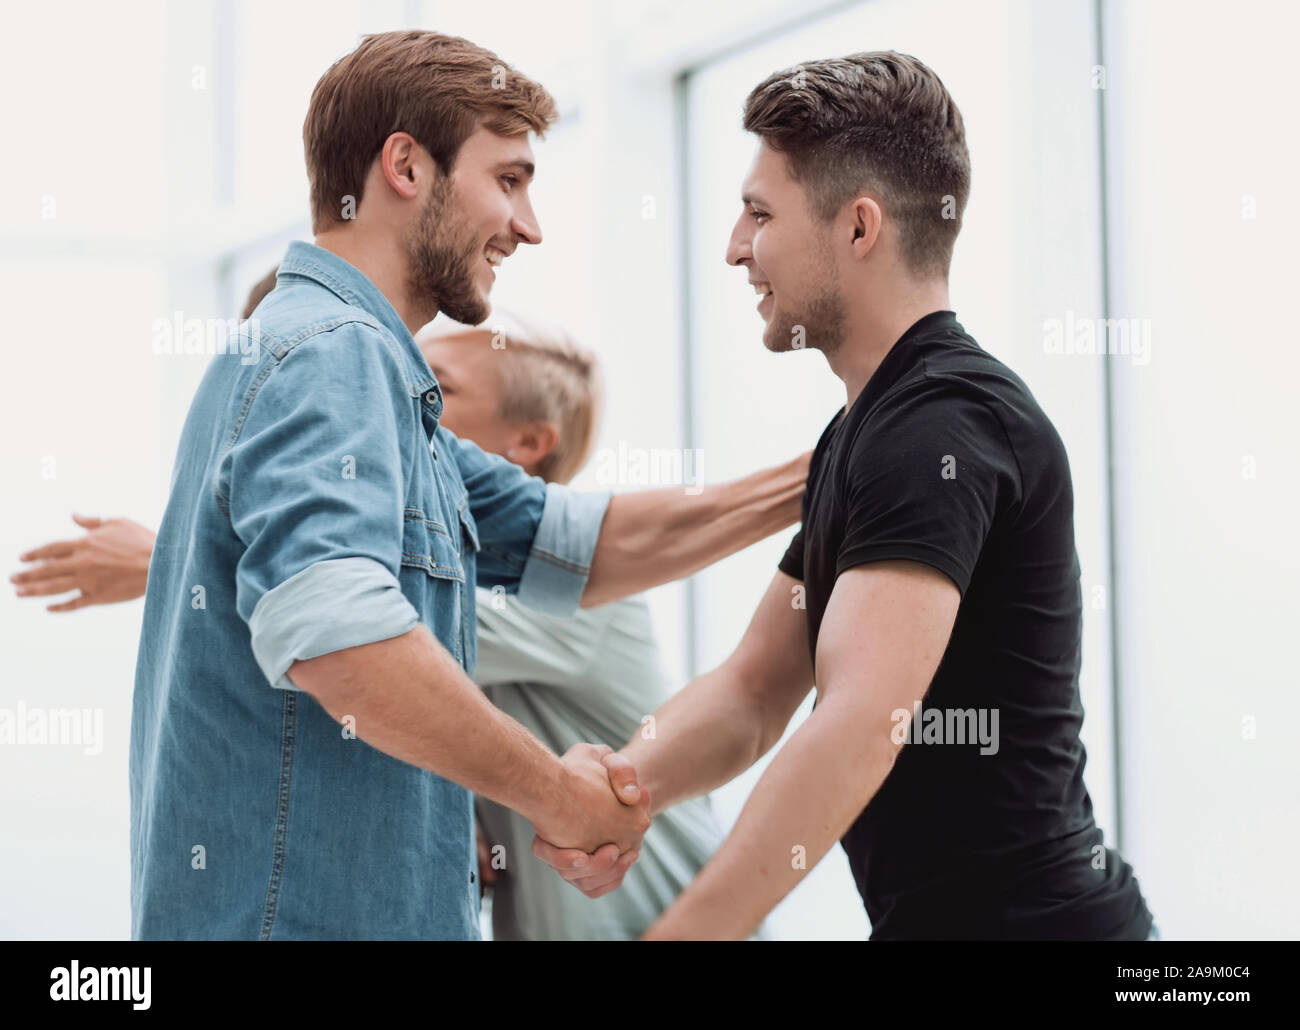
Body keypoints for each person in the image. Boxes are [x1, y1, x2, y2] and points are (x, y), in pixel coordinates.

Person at [112, 30, 807, 940]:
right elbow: (342, 641)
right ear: (405, 165)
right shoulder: (333, 355)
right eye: (509, 180)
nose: (528, 225)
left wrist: (827, 470)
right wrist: (557, 794)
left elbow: (578, 541)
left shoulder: (384, 393)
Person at [532, 50, 1157, 942]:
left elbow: (861, 722)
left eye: (759, 213)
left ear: (859, 228)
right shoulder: (863, 435)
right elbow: (754, 691)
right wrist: (624, 783)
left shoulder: (939, 426)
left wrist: (685, 935)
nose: (735, 247)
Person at [13, 299, 754, 942]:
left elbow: (367, 620)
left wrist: (168, 556)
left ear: (527, 444)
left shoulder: (573, 601)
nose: (402, 395)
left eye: (439, 386)